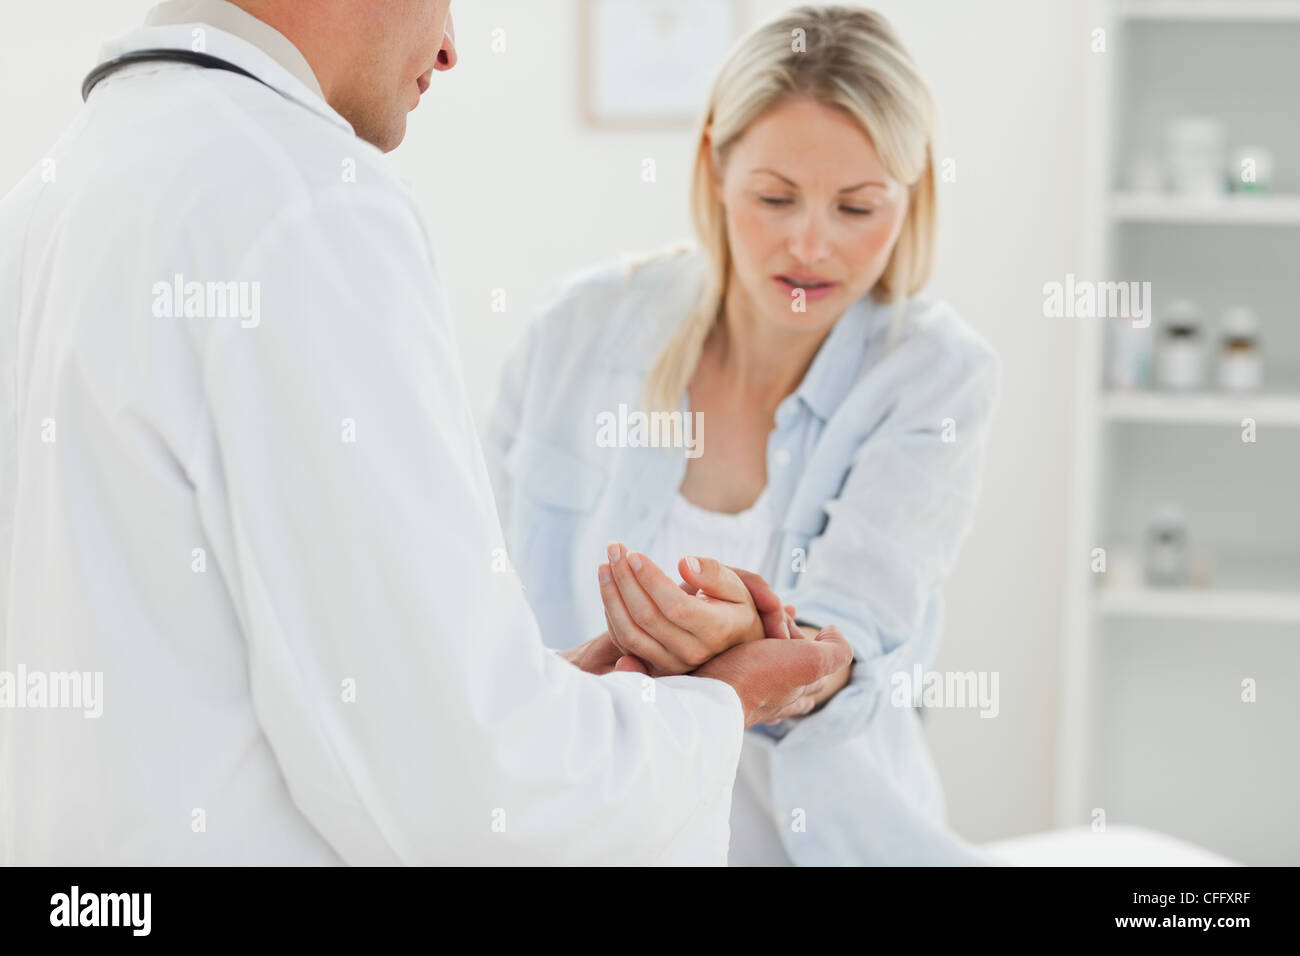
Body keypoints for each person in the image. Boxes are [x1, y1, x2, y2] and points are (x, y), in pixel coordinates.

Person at [0, 0, 851, 865]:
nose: (448, 48)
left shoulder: (55, 192)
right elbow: (471, 797)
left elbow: (261, 680)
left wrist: (552, 692)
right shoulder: (307, 204)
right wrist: (721, 706)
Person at [487, 5, 1001, 865]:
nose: (810, 242)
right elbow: (481, 596)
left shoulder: (936, 375)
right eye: (775, 196)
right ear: (714, 169)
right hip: (591, 839)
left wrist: (763, 658)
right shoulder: (577, 330)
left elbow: (850, 639)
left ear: (912, 198)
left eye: (856, 206)